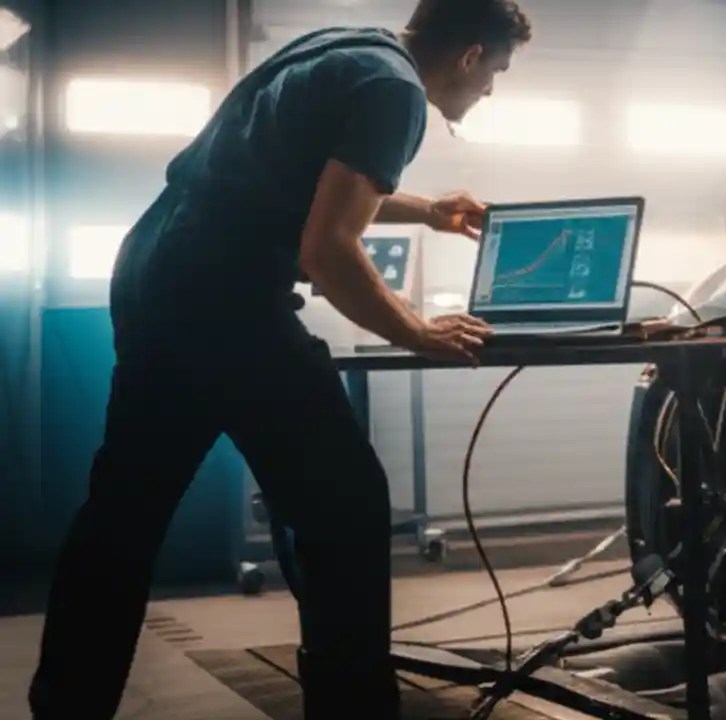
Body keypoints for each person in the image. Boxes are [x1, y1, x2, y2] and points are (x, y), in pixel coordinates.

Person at [28, 1, 531, 717]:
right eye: (495, 76)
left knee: (123, 515)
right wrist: (420, 332)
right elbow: (327, 249)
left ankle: (65, 704)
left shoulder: (341, 49)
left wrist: (424, 210)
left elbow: (298, 183)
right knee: (346, 507)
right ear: (471, 56)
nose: (488, 94)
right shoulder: (394, 91)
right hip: (224, 296)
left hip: (155, 271)